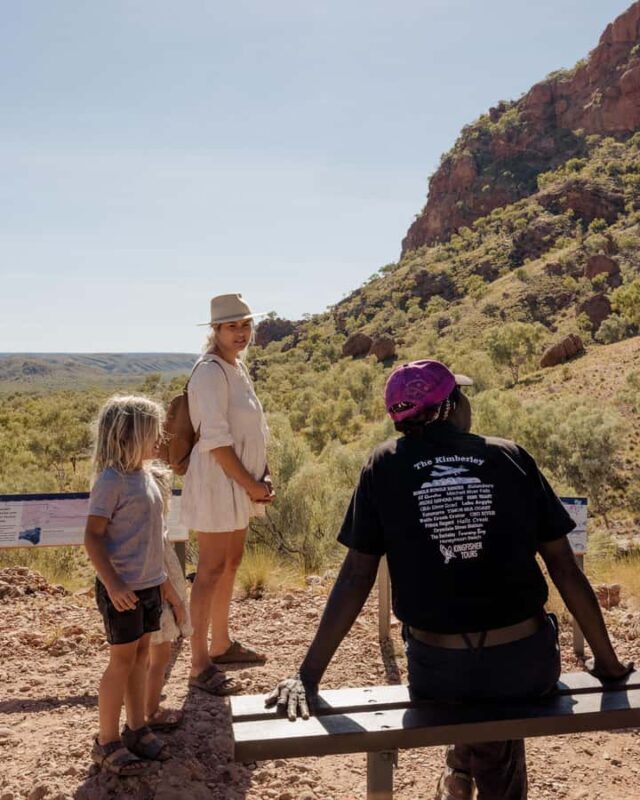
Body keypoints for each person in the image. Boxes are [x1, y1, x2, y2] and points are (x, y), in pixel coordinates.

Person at [267, 359, 633, 800]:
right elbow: (565, 569)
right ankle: (478, 781)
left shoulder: (382, 465)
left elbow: (355, 578)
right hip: (526, 665)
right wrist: (609, 666)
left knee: (473, 690)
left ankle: (459, 774)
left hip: (438, 674)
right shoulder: (509, 456)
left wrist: (307, 676)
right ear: (450, 406)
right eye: (461, 395)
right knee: (498, 695)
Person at [182, 293, 274, 696]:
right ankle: (198, 662)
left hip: (239, 481)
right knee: (211, 569)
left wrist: (261, 473)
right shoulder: (208, 372)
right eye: (232, 326)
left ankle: (221, 643)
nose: (241, 333)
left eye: (246, 325)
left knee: (231, 562)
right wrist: (251, 483)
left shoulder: (237, 368)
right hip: (220, 480)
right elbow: (217, 442)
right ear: (215, 330)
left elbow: (250, 429)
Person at [85, 395, 170, 776]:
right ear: (127, 436)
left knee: (141, 657)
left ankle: (137, 729)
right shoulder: (111, 481)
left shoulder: (146, 476)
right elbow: (92, 537)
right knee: (121, 662)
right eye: (153, 433)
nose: (159, 440)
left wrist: (163, 581)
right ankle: (106, 742)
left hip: (148, 584)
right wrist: (114, 582)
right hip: (122, 588)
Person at [144, 467, 193, 731]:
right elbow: (160, 573)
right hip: (160, 606)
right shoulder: (154, 532)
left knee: (148, 659)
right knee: (159, 659)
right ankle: (151, 711)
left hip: (151, 605)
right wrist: (176, 603)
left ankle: (143, 708)